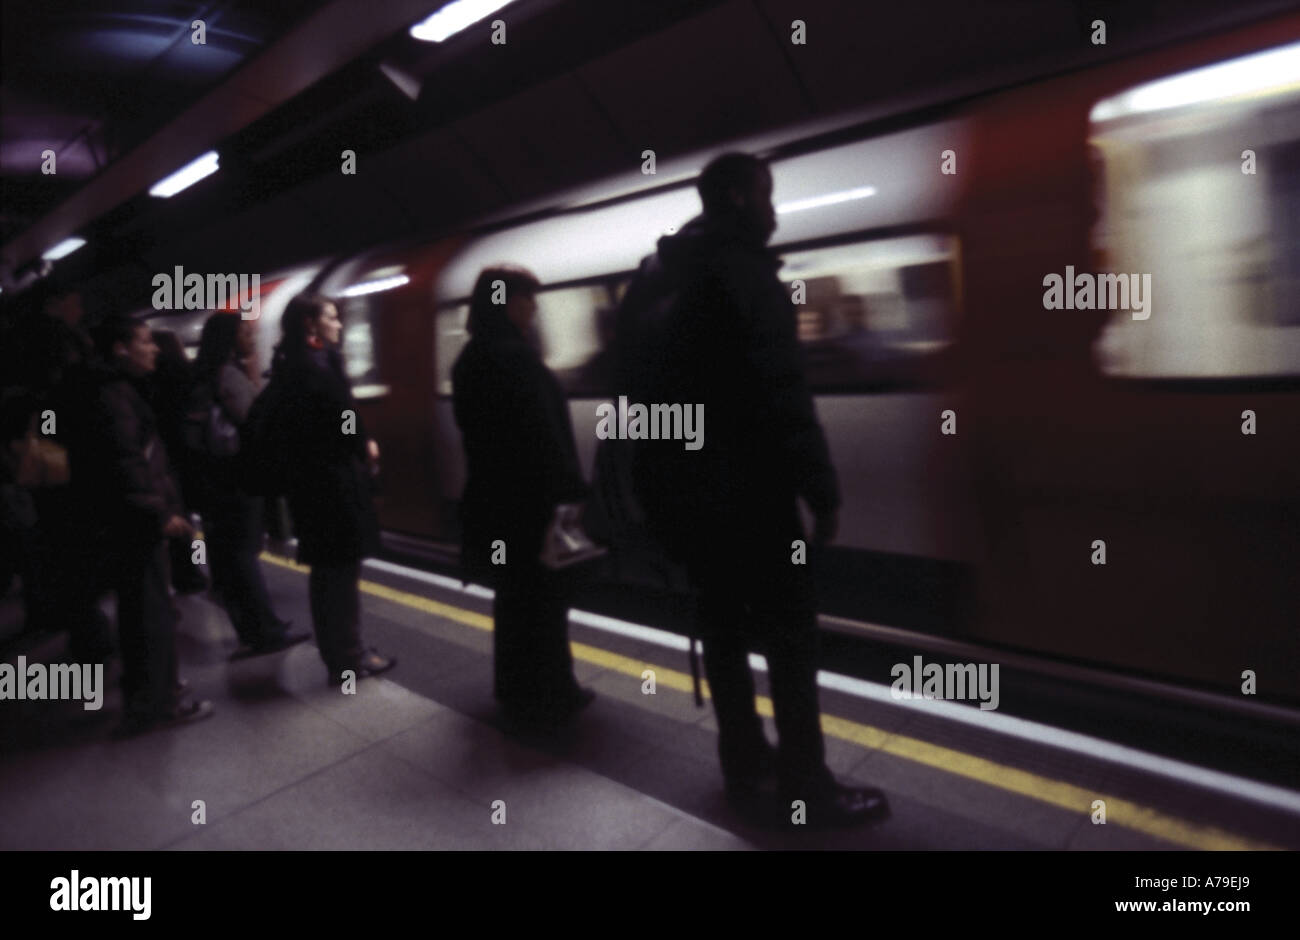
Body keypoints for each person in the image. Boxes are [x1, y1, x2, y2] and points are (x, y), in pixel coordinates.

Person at [615, 152, 889, 826]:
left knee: (723, 631)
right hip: (753, 497)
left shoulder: (651, 278)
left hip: (686, 498)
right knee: (791, 640)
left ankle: (744, 763)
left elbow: (633, 393)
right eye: (766, 196)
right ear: (739, 197)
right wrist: (821, 492)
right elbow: (782, 394)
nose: (773, 210)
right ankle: (808, 788)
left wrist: (654, 496)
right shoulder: (745, 273)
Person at [451, 266, 595, 726]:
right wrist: (571, 496)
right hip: (530, 506)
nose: (534, 307)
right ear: (505, 301)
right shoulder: (516, 359)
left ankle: (515, 689)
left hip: (493, 503)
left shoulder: (469, 360)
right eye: (527, 298)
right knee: (544, 599)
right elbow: (543, 439)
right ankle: (552, 693)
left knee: (513, 598)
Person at [70, 314, 213, 734]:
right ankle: (156, 703)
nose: (153, 349)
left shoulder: (108, 388)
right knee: (149, 612)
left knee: (144, 608)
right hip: (135, 524)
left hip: (125, 521)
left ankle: (152, 690)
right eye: (145, 342)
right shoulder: (114, 395)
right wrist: (159, 513)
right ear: (120, 349)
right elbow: (125, 463)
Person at [271, 294, 394, 684]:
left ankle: (339, 656)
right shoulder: (316, 367)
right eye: (331, 318)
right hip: (333, 484)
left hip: (310, 486)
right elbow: (341, 418)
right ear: (311, 324)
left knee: (327, 573)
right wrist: (362, 444)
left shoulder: (289, 365)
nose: (339, 326)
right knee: (340, 572)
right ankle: (349, 658)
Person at [191, 313, 304, 657]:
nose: (252, 336)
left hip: (215, 480)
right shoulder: (229, 376)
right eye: (245, 331)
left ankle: (253, 628)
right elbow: (255, 421)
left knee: (229, 558)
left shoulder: (205, 374)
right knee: (243, 556)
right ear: (229, 339)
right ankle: (265, 632)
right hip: (238, 479)